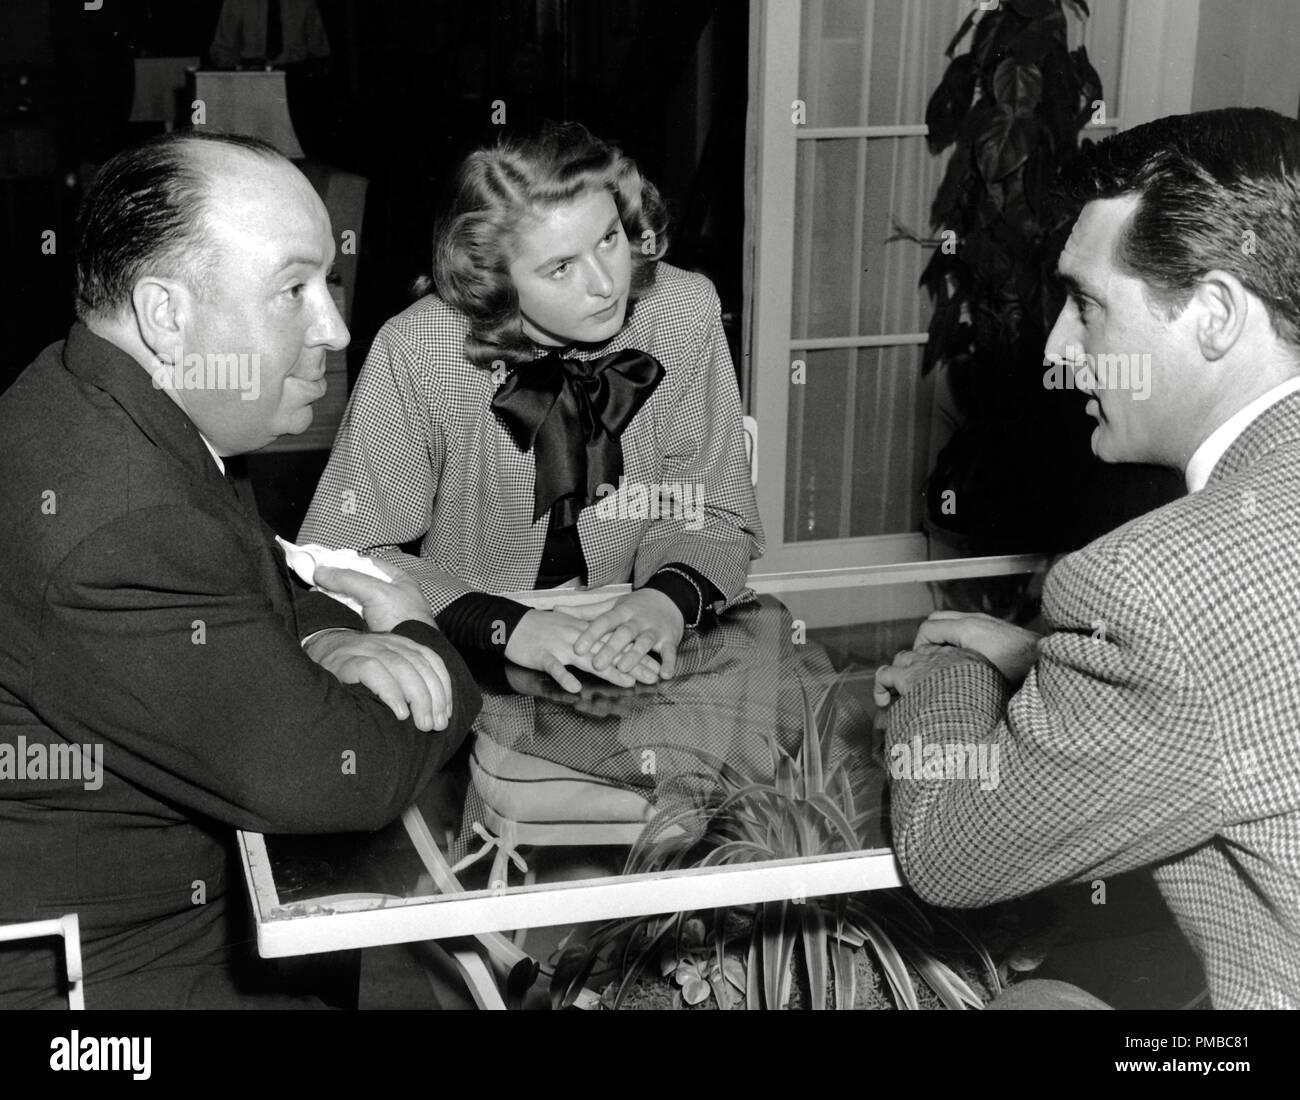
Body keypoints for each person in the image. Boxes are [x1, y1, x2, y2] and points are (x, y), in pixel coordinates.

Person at [0, 131, 480, 1009]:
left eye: (327, 284)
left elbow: (258, 573)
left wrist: (331, 641)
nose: (335, 327)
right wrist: (418, 624)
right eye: (292, 291)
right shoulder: (127, 523)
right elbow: (347, 774)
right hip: (117, 977)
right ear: (168, 315)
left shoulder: (98, 395)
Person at [874, 107, 1300, 1010]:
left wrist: (950, 667)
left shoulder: (1160, 587)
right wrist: (1034, 656)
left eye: (1087, 303)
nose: (1058, 350)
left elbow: (951, 849)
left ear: (1216, 312)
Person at [300, 123, 764, 695]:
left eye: (610, 238)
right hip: (469, 636)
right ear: (492, 275)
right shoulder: (421, 348)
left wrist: (666, 601)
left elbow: (712, 508)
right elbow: (348, 551)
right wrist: (508, 626)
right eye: (560, 267)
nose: (604, 284)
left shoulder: (683, 308)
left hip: (643, 614)